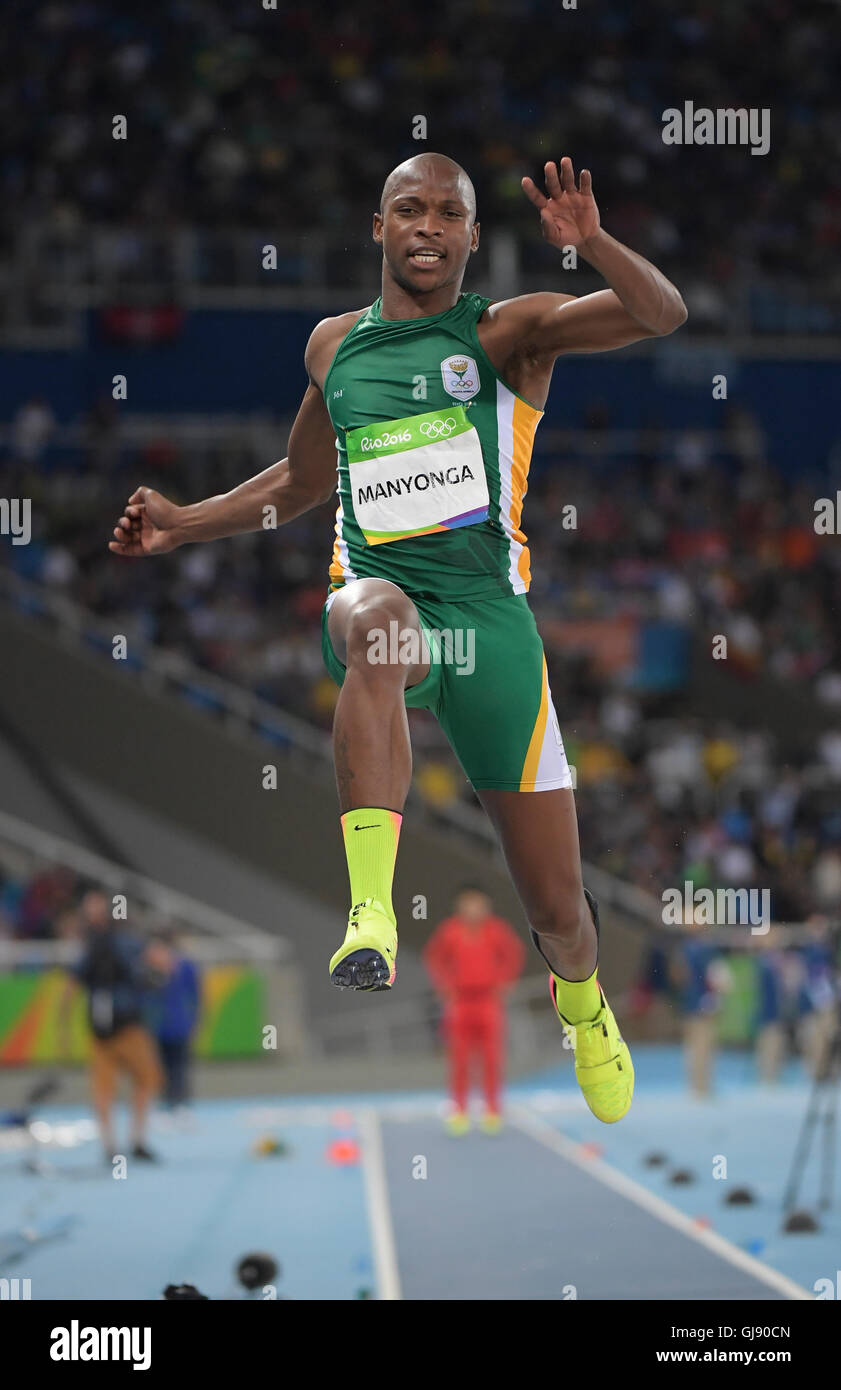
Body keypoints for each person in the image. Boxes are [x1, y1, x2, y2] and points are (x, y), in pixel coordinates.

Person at [110, 153, 688, 1123]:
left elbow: (662, 314)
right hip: (382, 596)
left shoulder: (510, 334)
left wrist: (591, 245)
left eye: (447, 213)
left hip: (491, 625)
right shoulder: (334, 348)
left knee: (559, 912)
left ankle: (582, 1004)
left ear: (469, 236)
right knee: (371, 627)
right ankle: (369, 909)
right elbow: (298, 485)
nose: (427, 225)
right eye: (407, 208)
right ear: (377, 228)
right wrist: (182, 522)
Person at [62, 890, 164, 1163]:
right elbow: (159, 963)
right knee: (144, 1080)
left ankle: (110, 1145)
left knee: (104, 1089)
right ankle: (137, 1140)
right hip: (128, 1027)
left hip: (100, 1029)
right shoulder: (126, 941)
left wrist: (64, 1022)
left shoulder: (88, 947)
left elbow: (72, 984)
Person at [424, 886, 525, 1134]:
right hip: (460, 1001)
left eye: (478, 904)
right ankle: (459, 1110)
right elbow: (434, 958)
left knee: (492, 1057)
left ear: (486, 906)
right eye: (468, 904)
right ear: (459, 907)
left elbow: (513, 954)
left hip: (488, 1000)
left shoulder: (497, 929)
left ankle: (492, 1109)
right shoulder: (450, 931)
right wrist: (444, 986)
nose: (473, 909)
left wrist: (506, 982)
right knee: (459, 1058)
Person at [144, 931, 201, 1112]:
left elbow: (195, 996)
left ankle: (182, 1103)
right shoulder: (151, 970)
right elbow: (146, 998)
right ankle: (166, 1103)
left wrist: (195, 1021)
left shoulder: (186, 967)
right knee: (160, 1067)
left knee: (180, 1067)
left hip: (179, 1026)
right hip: (159, 1027)